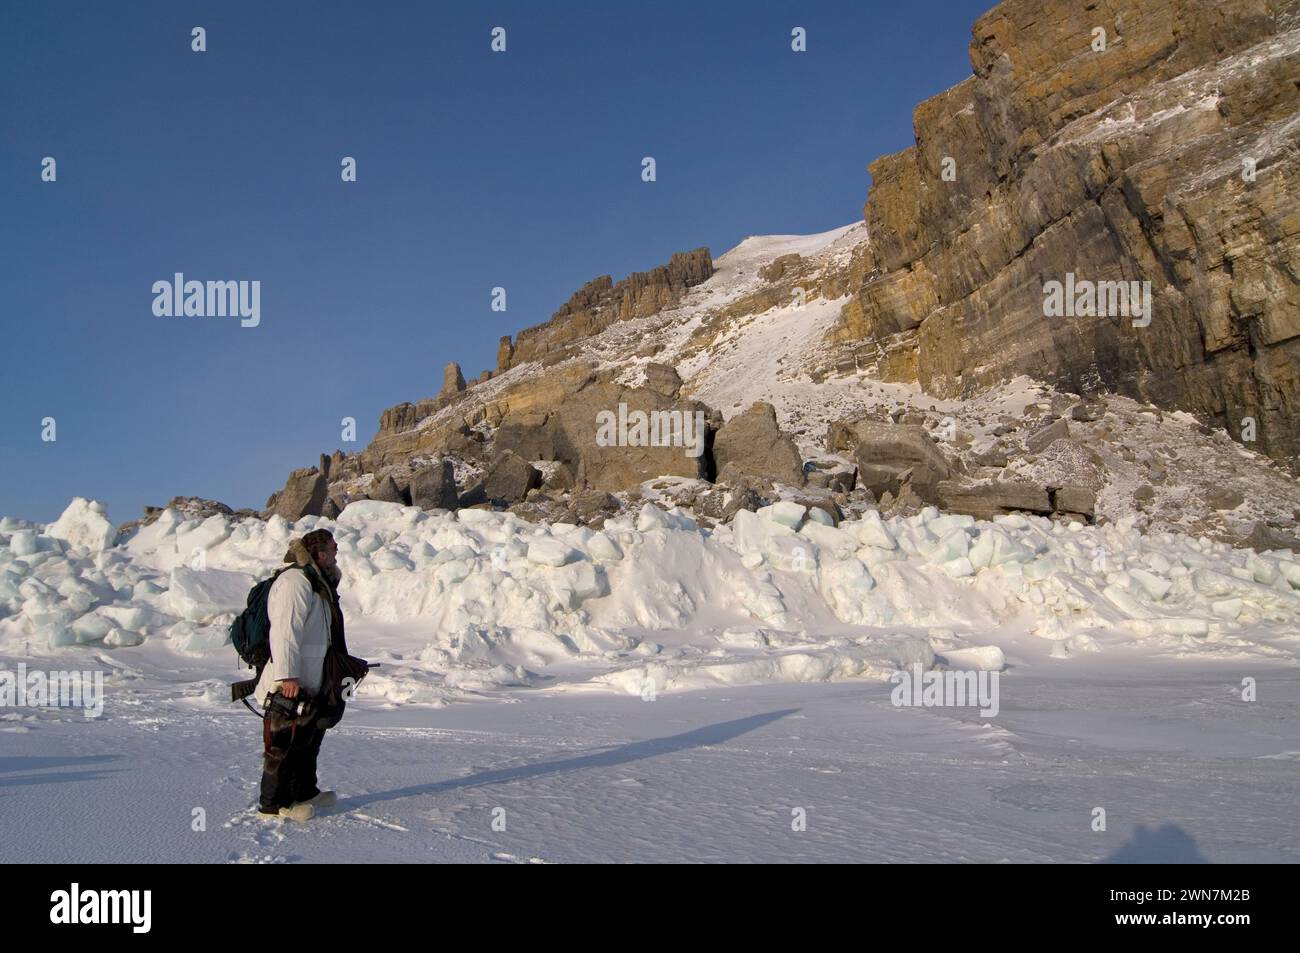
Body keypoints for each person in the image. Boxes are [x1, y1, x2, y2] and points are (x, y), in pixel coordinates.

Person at [254, 528, 346, 821]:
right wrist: (287, 675)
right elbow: (285, 631)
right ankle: (274, 804)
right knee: (284, 743)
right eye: (333, 547)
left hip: (313, 677)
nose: (336, 551)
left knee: (309, 738)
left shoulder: (318, 582)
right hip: (291, 681)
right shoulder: (295, 581)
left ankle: (305, 791)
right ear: (319, 552)